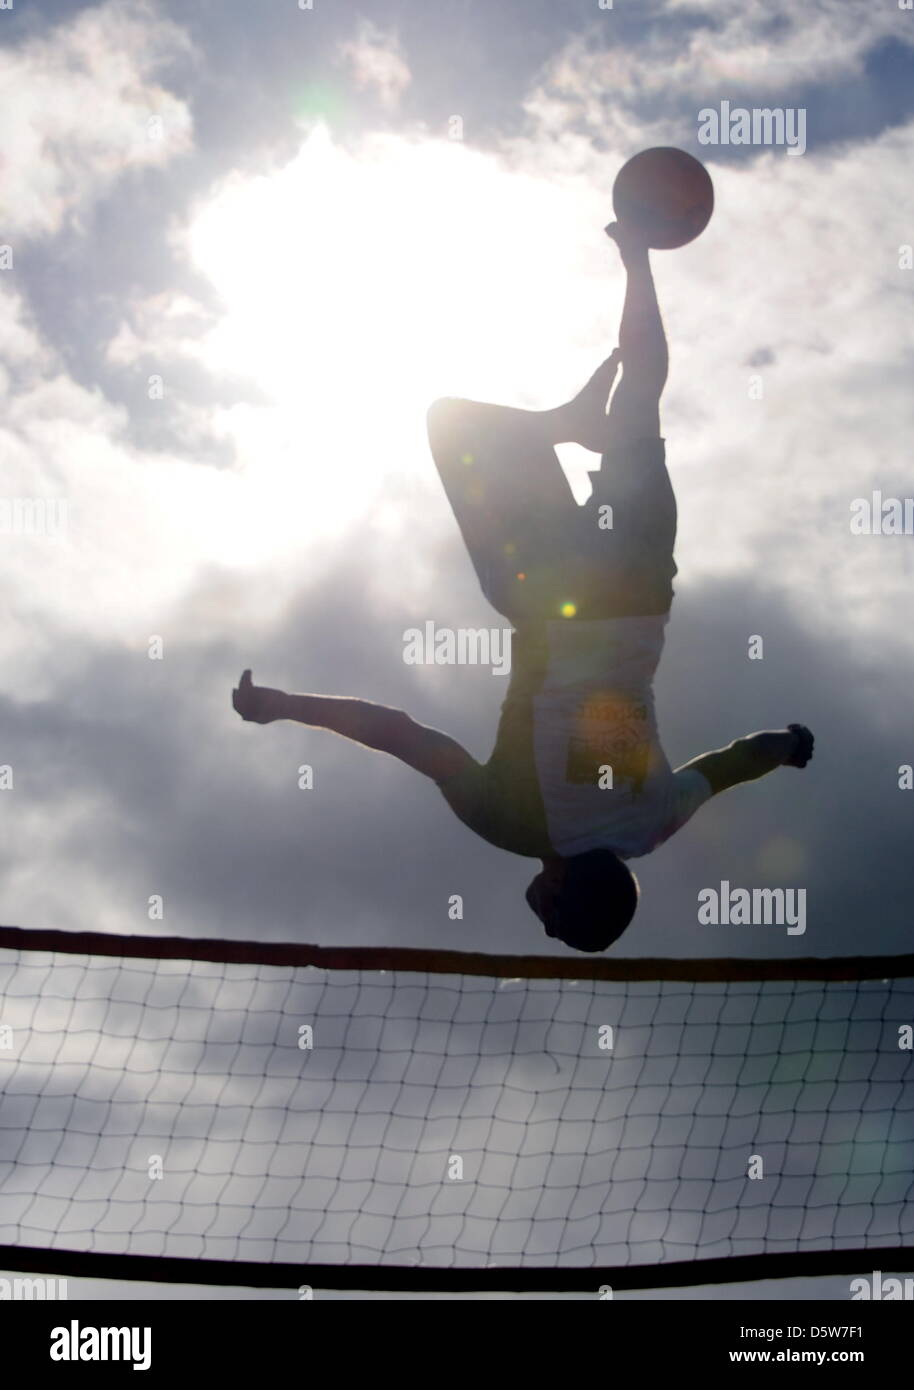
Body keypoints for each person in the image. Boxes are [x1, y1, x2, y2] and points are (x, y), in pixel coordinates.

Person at [233, 219, 814, 953]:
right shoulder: (509, 825)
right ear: (563, 894)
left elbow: (739, 759)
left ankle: (635, 260)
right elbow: (401, 733)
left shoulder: (654, 826)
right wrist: (282, 707)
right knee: (453, 424)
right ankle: (564, 421)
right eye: (552, 921)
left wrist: (792, 744)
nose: (539, 916)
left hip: (639, 595)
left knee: (641, 399)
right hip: (549, 598)